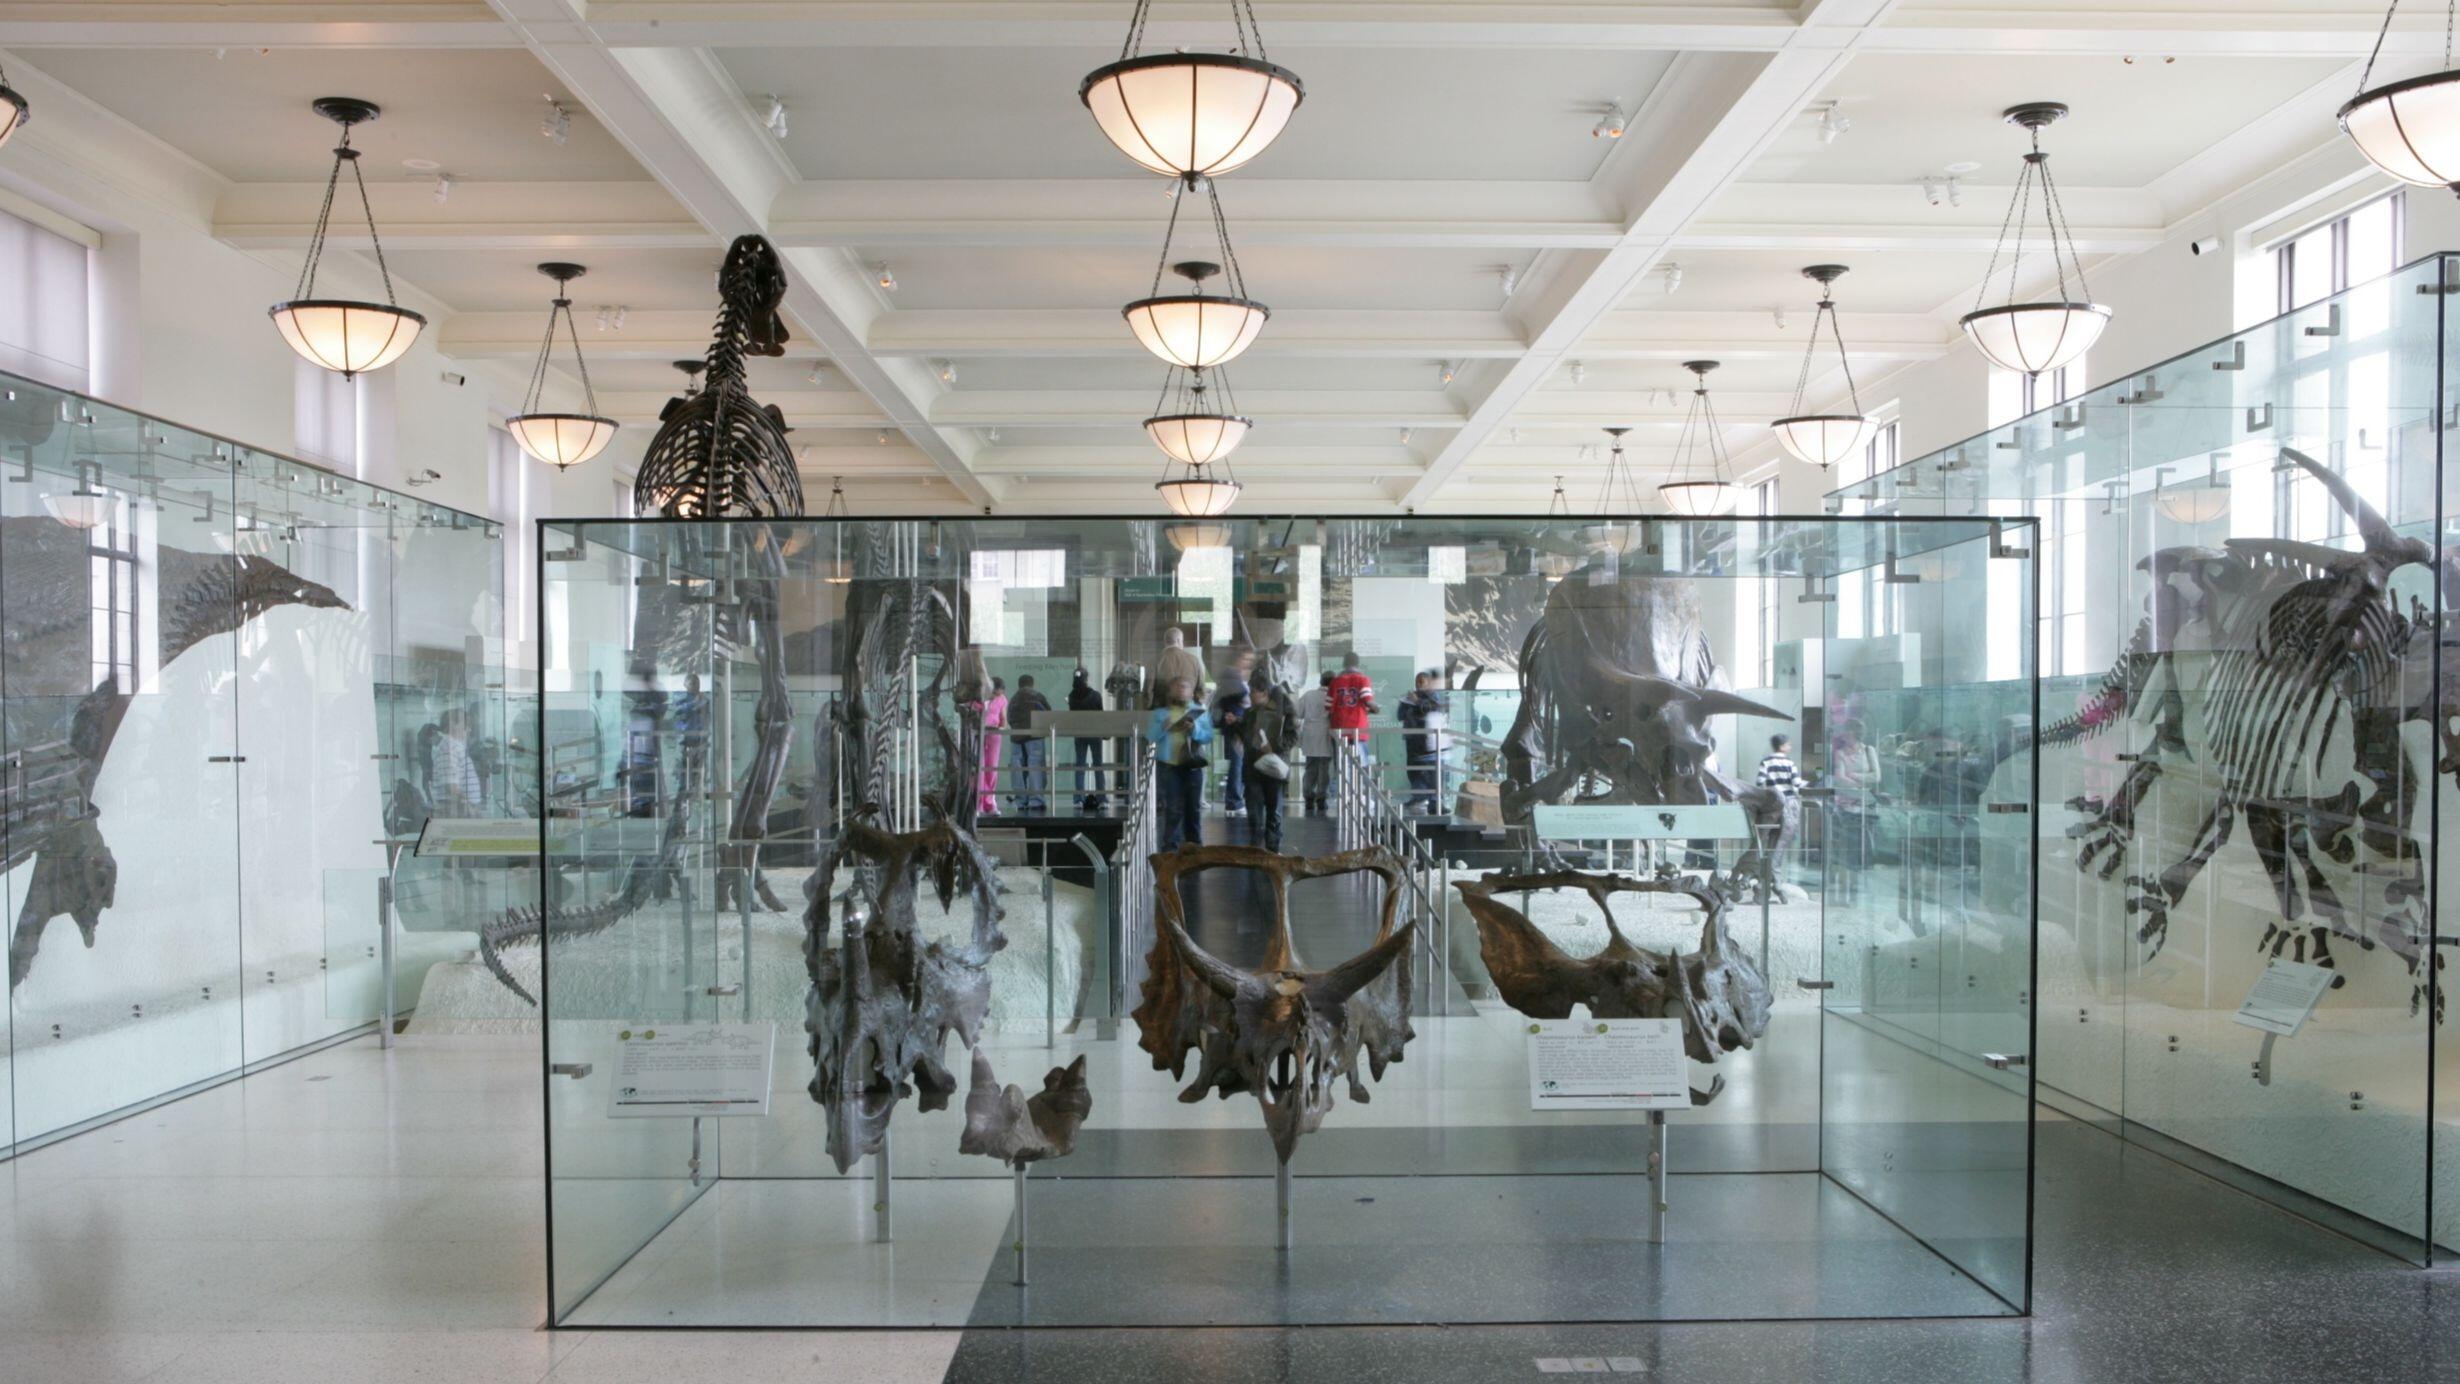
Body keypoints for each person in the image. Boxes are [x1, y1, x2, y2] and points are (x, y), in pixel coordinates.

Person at [1146, 676, 1213, 850]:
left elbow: (1208, 736)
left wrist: (1195, 729)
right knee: (1173, 808)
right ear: (1170, 692)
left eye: (1185, 686)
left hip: (1192, 765)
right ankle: (1171, 847)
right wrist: (1163, 727)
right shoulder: (1161, 713)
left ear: (1191, 692)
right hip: (1169, 766)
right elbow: (1150, 737)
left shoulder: (1199, 712)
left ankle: (1194, 846)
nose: (1182, 689)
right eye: (1178, 687)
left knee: (1193, 808)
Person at [1238, 671, 1300, 851]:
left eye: (1253, 692)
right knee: (1254, 809)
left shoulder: (1285, 712)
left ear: (1264, 692)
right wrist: (1236, 724)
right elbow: (1246, 736)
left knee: (1274, 810)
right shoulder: (1250, 713)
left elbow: (1293, 737)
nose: (1250, 695)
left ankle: (1272, 849)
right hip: (1253, 765)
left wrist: (1275, 748)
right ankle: (1256, 846)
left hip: (1274, 766)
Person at [1831, 718, 1882, 905]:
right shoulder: (1840, 753)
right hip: (1847, 807)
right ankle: (1849, 881)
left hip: (1866, 806)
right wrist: (1861, 783)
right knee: (1849, 844)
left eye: (1848, 730)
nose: (1845, 734)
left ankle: (1860, 878)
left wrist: (1854, 776)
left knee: (1865, 843)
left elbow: (1876, 776)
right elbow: (1839, 778)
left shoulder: (1869, 751)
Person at [1396, 671, 1445, 814]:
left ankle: (1434, 801)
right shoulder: (1409, 697)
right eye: (1417, 681)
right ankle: (1418, 796)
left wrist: (1417, 702)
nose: (1418, 685)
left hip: (1428, 740)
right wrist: (1407, 704)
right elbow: (1400, 715)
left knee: (1430, 771)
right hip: (1412, 739)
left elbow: (1434, 710)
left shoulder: (1434, 696)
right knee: (1413, 769)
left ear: (1428, 683)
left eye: (1422, 682)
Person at [1213, 654, 1252, 819]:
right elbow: (1242, 696)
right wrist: (1246, 701)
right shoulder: (1232, 675)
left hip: (1238, 725)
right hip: (1235, 726)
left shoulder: (1236, 677)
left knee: (1239, 763)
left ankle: (1235, 800)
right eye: (1246, 658)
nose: (1248, 662)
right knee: (1237, 763)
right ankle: (1234, 801)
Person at [1008, 674, 1051, 813]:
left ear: (1019, 684)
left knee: (1018, 769)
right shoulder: (1038, 696)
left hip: (1017, 738)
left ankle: (1021, 800)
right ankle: (1036, 800)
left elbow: (1009, 718)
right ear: (1032, 684)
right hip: (1035, 736)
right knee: (1035, 767)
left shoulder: (1014, 698)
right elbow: (1048, 714)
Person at [432, 707, 483, 818]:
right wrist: (469, 806)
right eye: (465, 725)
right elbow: (450, 786)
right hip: (457, 810)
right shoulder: (448, 748)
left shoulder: (455, 747)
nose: (469, 729)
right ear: (452, 724)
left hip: (462, 809)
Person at [1296, 671, 1334, 815]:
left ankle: (1308, 798)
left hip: (1310, 734)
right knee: (1324, 769)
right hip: (1326, 734)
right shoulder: (1332, 697)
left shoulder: (1309, 695)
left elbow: (1298, 713)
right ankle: (1321, 798)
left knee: (1310, 767)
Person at [1068, 667, 1105, 813]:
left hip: (1079, 734)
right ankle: (1102, 799)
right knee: (1098, 766)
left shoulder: (1071, 696)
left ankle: (1078, 799)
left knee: (1080, 766)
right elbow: (1101, 715)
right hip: (1095, 733)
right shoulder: (1095, 695)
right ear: (1086, 678)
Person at [1328, 651, 1376, 744]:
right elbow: (1367, 701)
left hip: (1339, 728)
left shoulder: (1335, 681)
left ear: (1344, 664)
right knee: (1359, 758)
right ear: (1357, 664)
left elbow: (1328, 707)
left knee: (1340, 758)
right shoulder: (1363, 679)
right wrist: (1376, 709)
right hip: (1359, 728)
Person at [978, 676, 1008, 816]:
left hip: (994, 735)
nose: (997, 696)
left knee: (992, 769)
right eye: (995, 693)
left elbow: (1003, 719)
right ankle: (978, 804)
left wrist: (1001, 727)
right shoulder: (978, 698)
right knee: (980, 769)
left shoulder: (1002, 699)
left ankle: (990, 804)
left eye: (999, 693)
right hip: (978, 734)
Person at [1756, 733, 1801, 800]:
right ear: (1781, 747)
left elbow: (1759, 781)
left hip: (1773, 800)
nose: (1790, 747)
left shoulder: (1765, 761)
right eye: (1788, 745)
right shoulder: (1790, 762)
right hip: (1788, 799)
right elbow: (1796, 782)